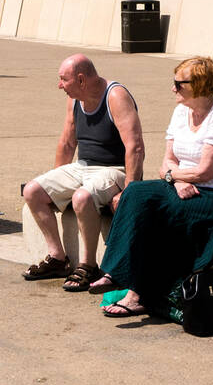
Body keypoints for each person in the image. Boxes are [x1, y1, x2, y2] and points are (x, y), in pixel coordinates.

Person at [87, 56, 213, 318]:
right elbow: (166, 162)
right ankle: (115, 272)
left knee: (159, 213)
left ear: (199, 84)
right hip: (183, 185)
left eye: (179, 83)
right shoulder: (180, 111)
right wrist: (176, 181)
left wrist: (176, 177)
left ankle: (137, 292)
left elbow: (207, 171)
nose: (173, 88)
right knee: (134, 192)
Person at [22, 55, 143, 290]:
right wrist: (56, 190)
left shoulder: (116, 96)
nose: (59, 85)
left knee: (82, 197)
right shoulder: (75, 98)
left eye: (63, 80)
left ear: (80, 79)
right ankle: (58, 258)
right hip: (83, 167)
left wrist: (130, 193)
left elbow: (135, 146)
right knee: (33, 191)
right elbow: (67, 143)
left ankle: (88, 266)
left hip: (114, 169)